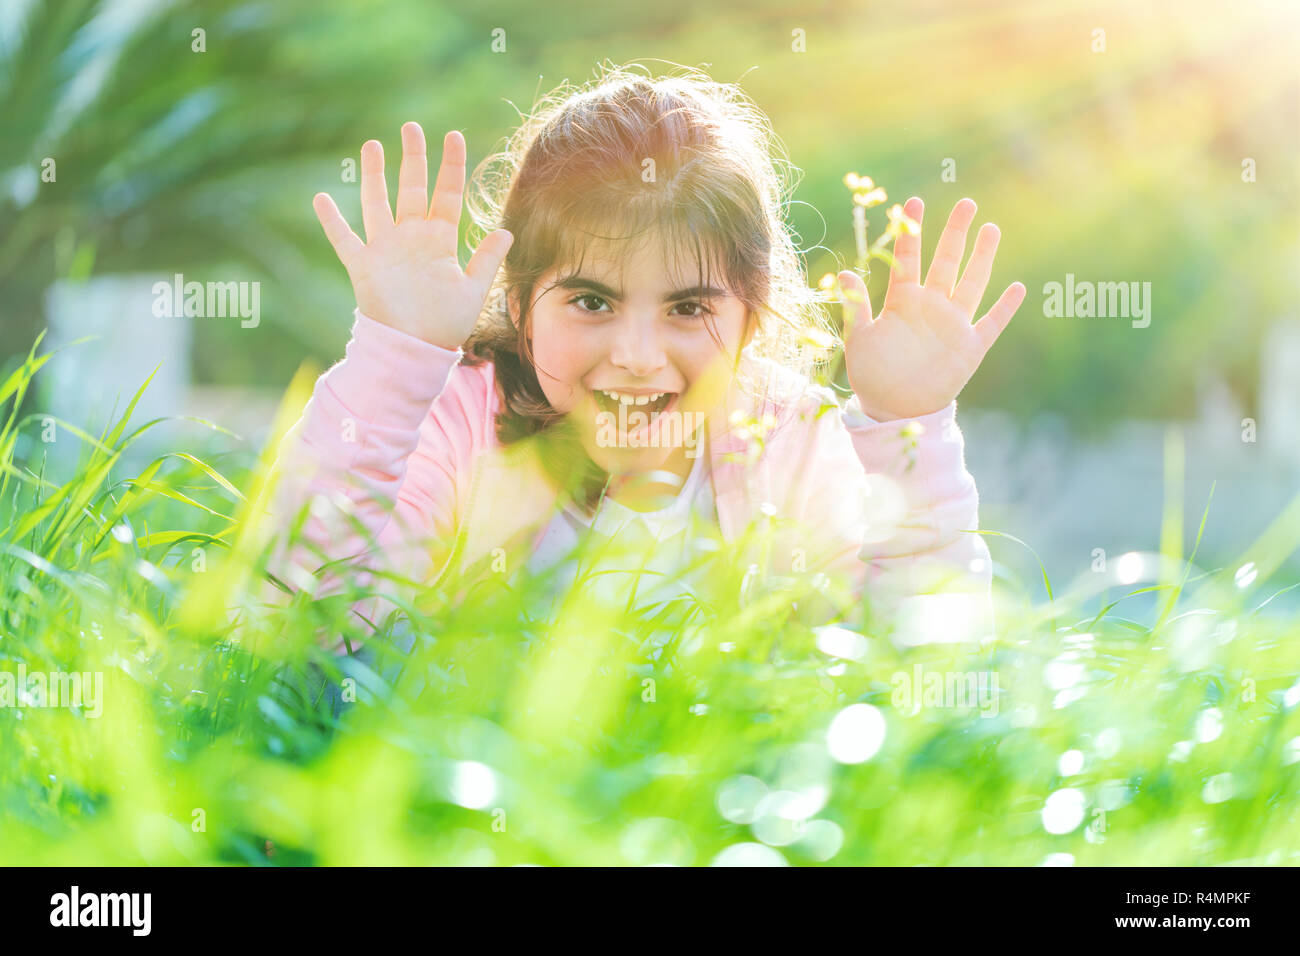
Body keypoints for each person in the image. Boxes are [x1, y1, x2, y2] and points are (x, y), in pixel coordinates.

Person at [262, 64, 1026, 659]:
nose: (635, 356)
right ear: (521, 304)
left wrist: (908, 429)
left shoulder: (787, 437)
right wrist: (396, 357)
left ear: (751, 316)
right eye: (591, 302)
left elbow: (912, 666)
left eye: (688, 309)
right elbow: (306, 620)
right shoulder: (464, 415)